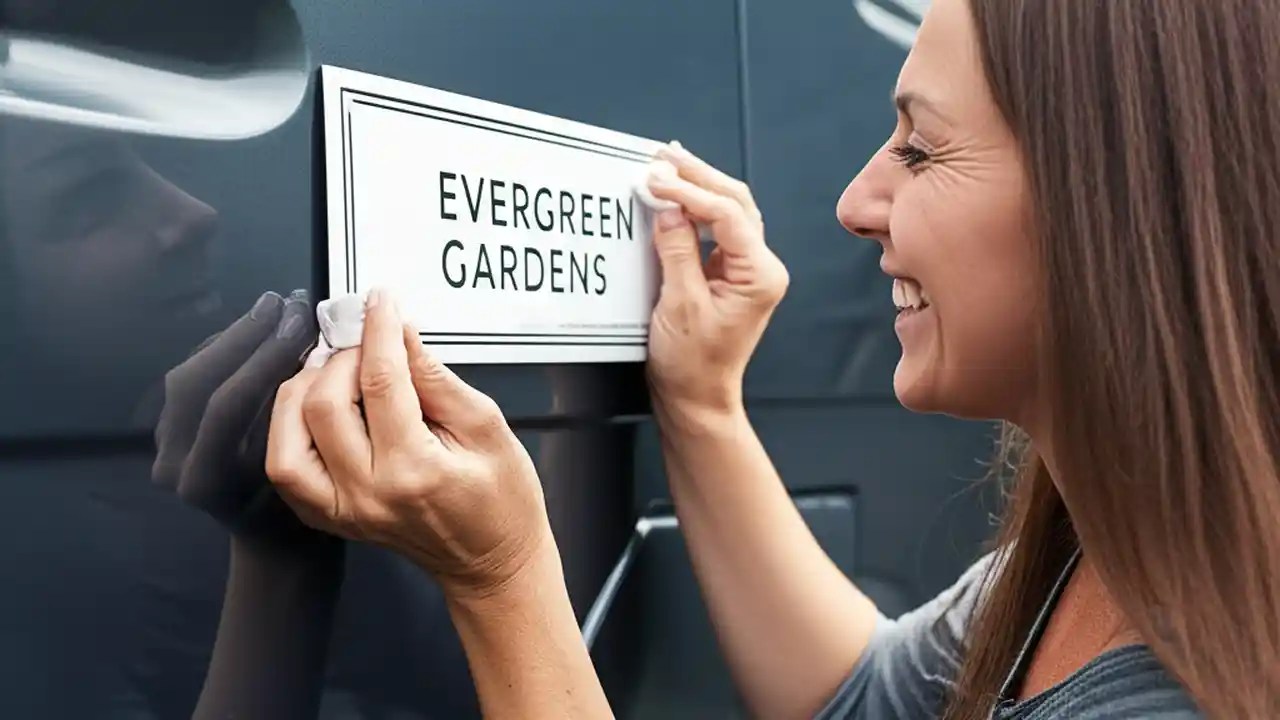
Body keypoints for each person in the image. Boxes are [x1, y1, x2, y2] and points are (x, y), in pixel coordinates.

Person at [264, 0, 1280, 717]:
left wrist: (501, 579)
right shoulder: (1106, 565)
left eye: (919, 152)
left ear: (1108, 205)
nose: (854, 205)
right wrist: (700, 403)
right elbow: (862, 697)